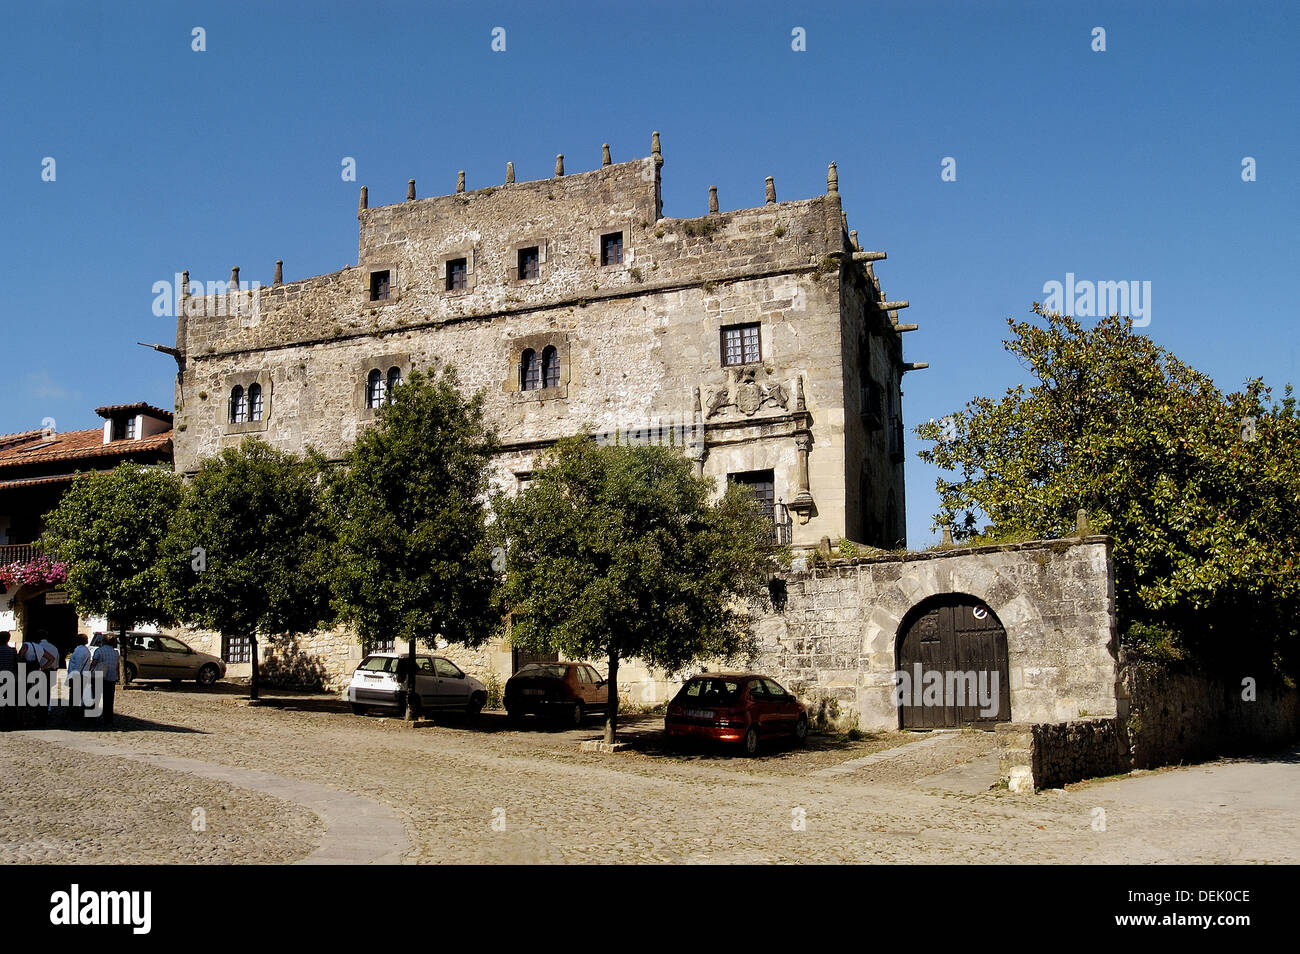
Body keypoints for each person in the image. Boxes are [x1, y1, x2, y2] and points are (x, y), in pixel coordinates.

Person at [89, 634, 121, 728]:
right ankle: (108, 720)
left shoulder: (99, 651)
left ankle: (92, 718)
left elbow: (94, 663)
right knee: (109, 700)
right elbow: (117, 666)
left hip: (99, 676)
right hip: (111, 677)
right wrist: (117, 676)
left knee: (95, 698)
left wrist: (89, 671)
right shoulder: (116, 652)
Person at [65, 634, 91, 726]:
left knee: (75, 696)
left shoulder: (80, 650)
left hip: (78, 676)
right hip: (81, 675)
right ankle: (75, 713)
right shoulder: (83, 650)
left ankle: (75, 714)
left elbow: (78, 665)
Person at [0, 632, 17, 730]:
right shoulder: (12, 651)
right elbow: (16, 664)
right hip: (9, 678)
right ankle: (9, 722)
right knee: (9, 702)